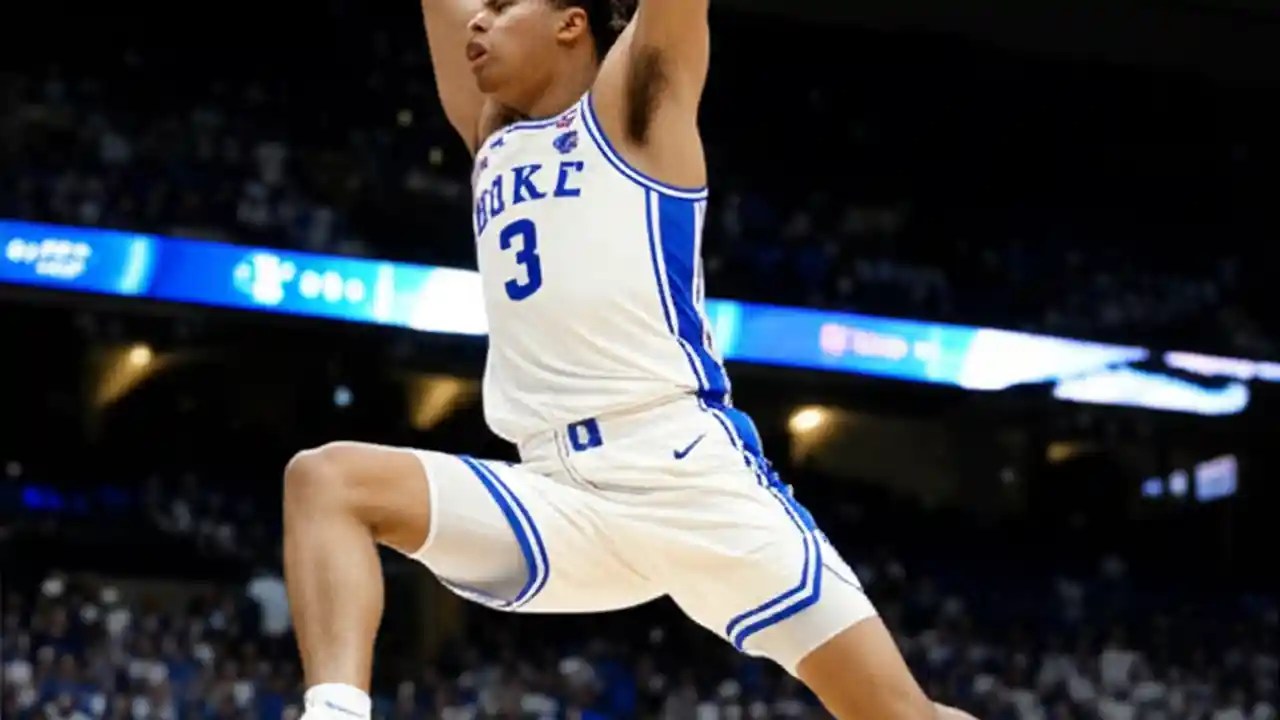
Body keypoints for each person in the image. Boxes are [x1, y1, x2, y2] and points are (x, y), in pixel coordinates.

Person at [283, 1, 978, 718]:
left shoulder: (635, 107)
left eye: (500, 7)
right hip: (561, 492)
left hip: (683, 471)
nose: (477, 22)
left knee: (898, 713)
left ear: (571, 22)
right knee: (328, 481)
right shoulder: (492, 129)